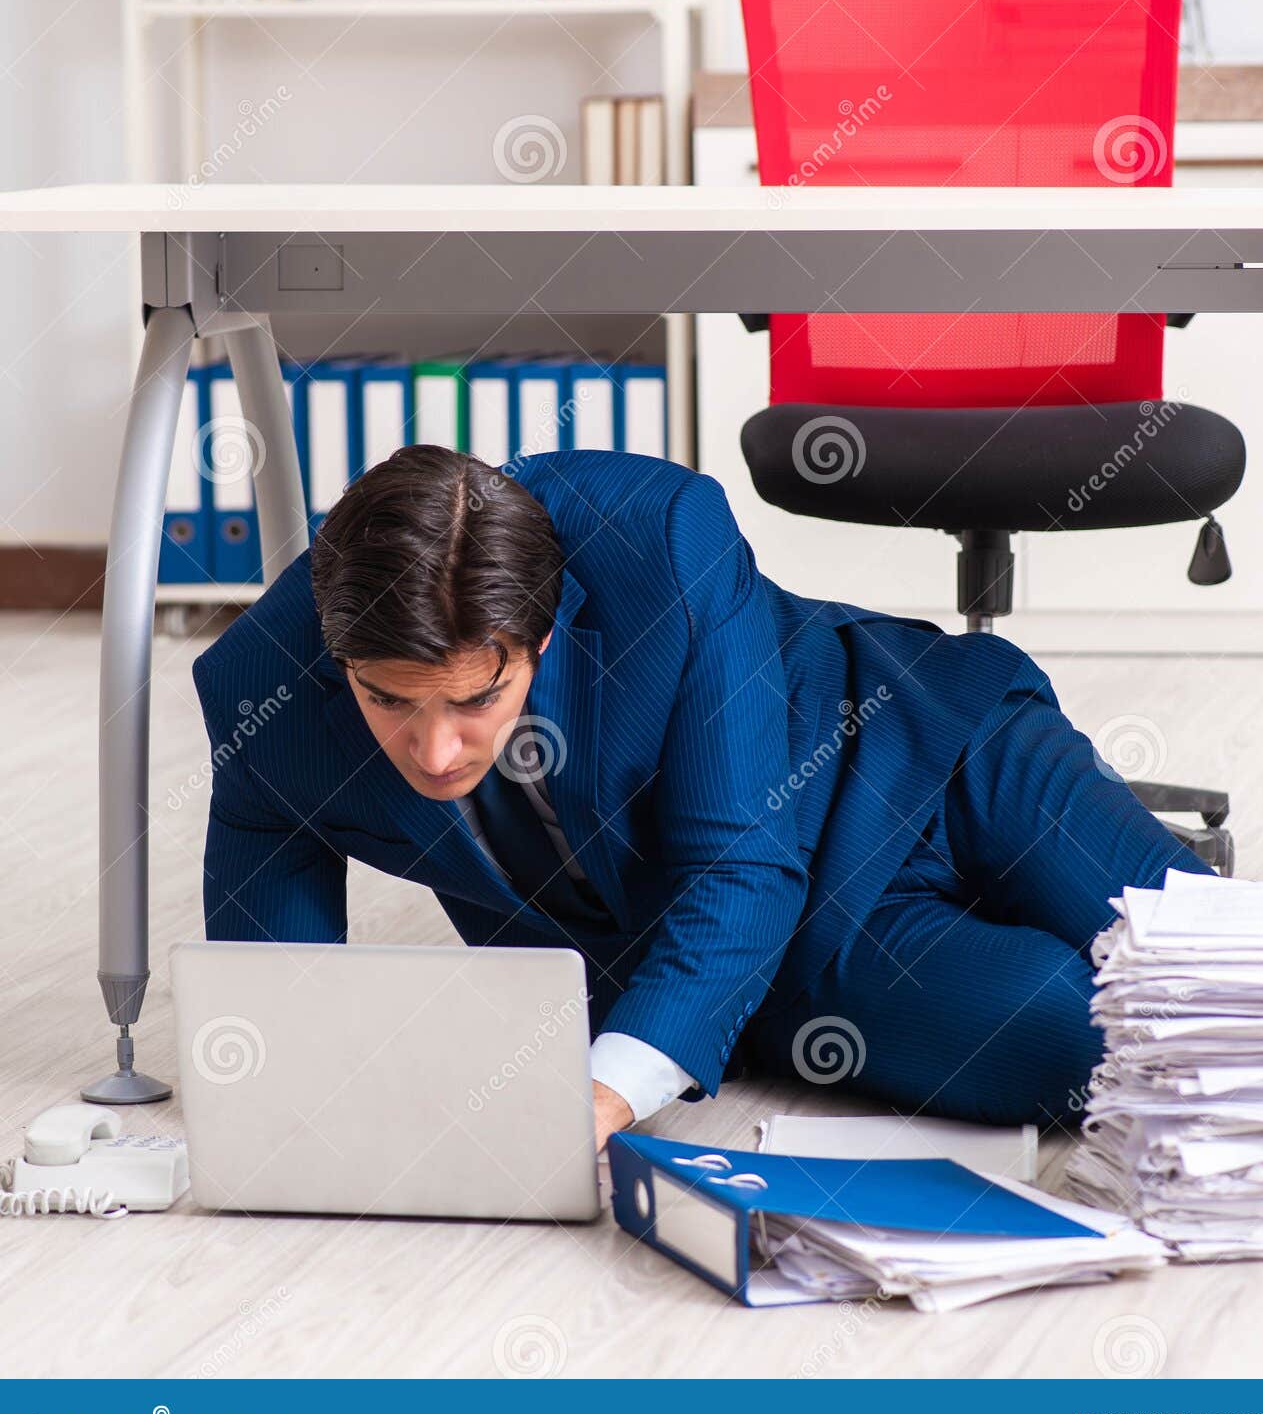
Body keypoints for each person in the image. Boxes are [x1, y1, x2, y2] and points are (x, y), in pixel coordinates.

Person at [193, 444, 1208, 1152]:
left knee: (1223, 964)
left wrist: (595, 1097)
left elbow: (740, 863)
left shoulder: (662, 537)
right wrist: (291, 1107)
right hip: (805, 951)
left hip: (927, 747)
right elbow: (281, 1021)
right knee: (1093, 1038)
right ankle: (713, 1014)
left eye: (476, 699)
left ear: (540, 640)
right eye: (388, 701)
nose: (436, 747)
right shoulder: (263, 692)